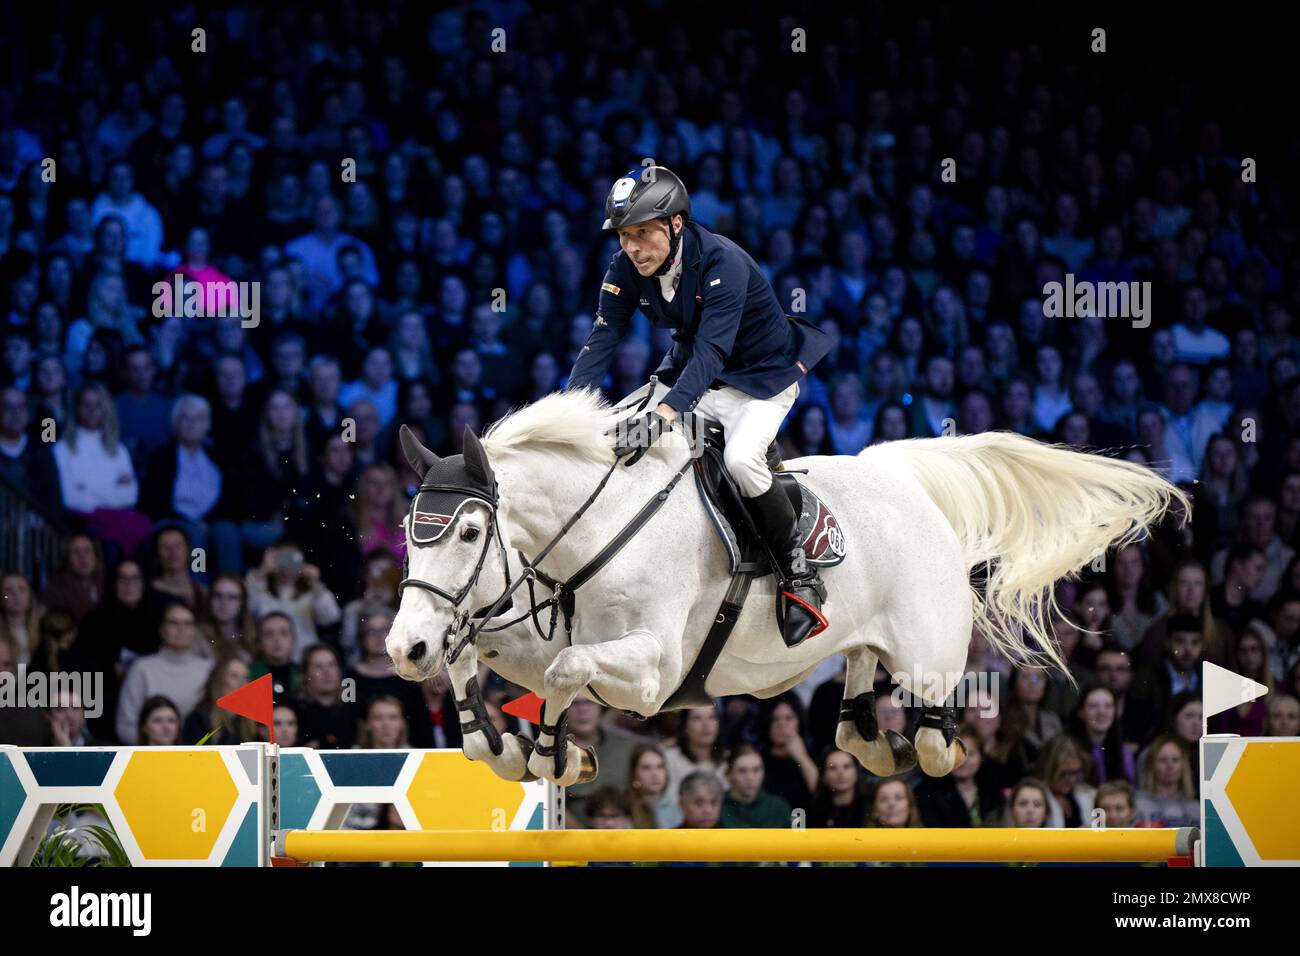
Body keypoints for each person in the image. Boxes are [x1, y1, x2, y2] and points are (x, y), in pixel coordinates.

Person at [566, 166, 834, 646]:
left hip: (759, 380)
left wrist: (664, 416)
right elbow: (603, 337)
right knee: (620, 431)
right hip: (696, 372)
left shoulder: (722, 263)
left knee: (741, 460)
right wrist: (571, 412)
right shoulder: (625, 268)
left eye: (643, 233)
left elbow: (714, 351)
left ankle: (799, 572)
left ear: (675, 223)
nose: (632, 247)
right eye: (624, 236)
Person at [114, 603, 213, 743]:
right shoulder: (142, 668)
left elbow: (219, 721)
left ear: (195, 630)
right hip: (151, 757)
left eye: (187, 623)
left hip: (201, 756)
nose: (181, 628)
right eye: (174, 622)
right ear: (162, 629)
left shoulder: (210, 670)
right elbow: (125, 727)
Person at [719, 744, 792, 828]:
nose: (750, 778)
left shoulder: (778, 807)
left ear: (763, 772)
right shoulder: (715, 807)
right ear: (728, 774)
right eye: (742, 771)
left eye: (756, 770)